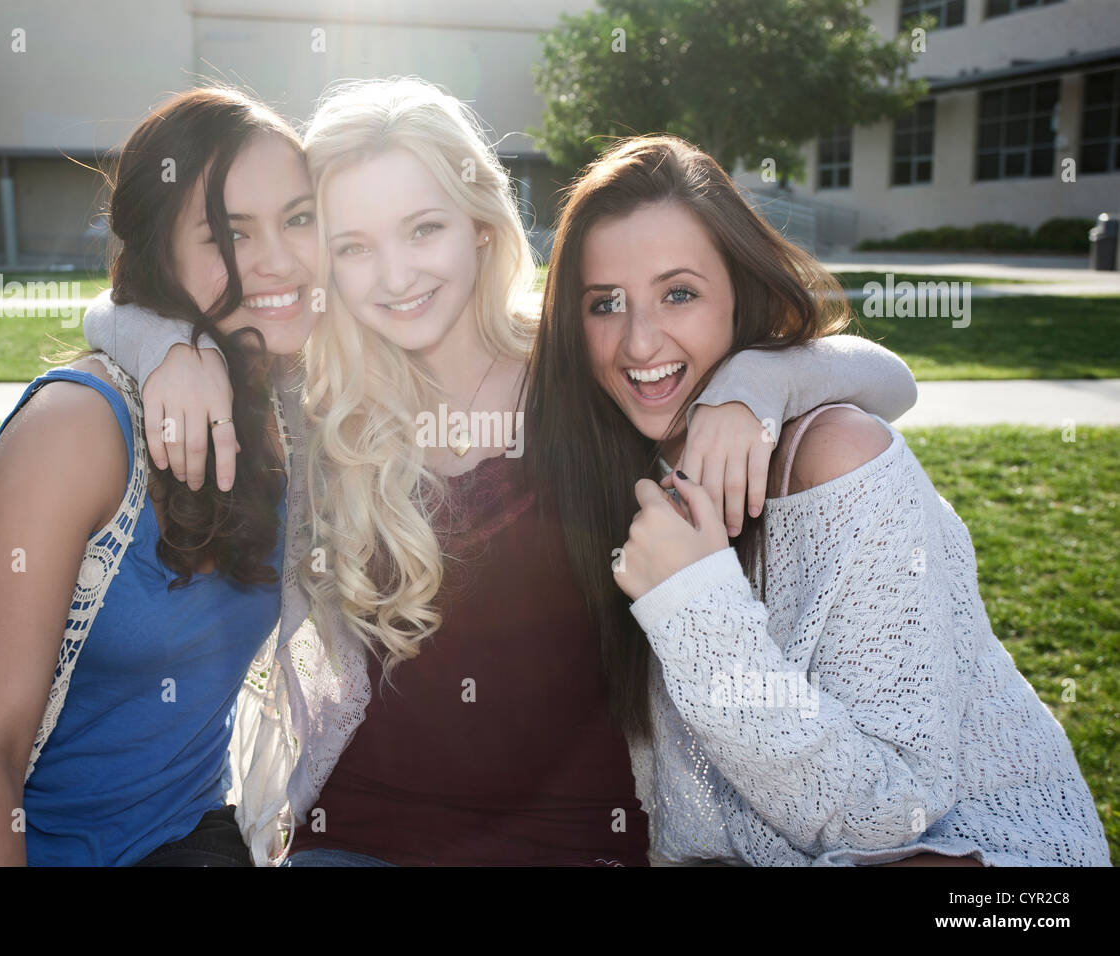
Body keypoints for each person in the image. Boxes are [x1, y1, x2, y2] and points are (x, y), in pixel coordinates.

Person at [84, 77, 924, 865]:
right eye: (354, 246)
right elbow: (110, 309)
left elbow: (889, 381)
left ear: (480, 223)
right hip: (363, 833)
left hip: (581, 837)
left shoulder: (588, 365)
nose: (398, 275)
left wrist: (754, 387)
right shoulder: (319, 402)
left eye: (424, 229)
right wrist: (175, 347)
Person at [529, 133, 1110, 866]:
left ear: (740, 294)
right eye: (605, 303)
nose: (640, 342)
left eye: (679, 293)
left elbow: (887, 820)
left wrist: (694, 603)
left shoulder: (835, 459)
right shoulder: (617, 465)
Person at [0, 86, 315, 867]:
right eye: (227, 234)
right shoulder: (77, 430)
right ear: (160, 253)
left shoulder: (295, 407)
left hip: (190, 839)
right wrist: (152, 339)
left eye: (298, 218)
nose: (279, 259)